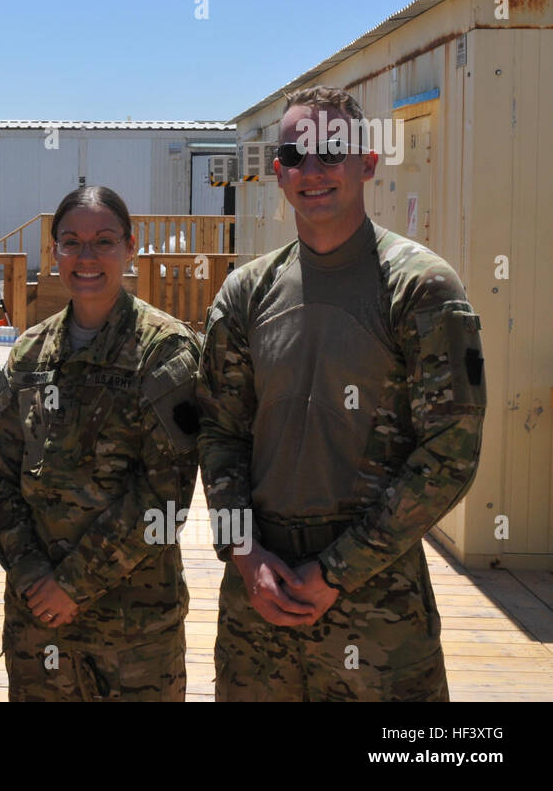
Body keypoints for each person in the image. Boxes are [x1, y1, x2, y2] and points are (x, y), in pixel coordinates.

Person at [197, 85, 486, 701]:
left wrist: (336, 570)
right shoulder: (246, 293)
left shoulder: (422, 288)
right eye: (295, 156)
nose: (313, 170)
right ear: (278, 171)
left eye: (332, 151)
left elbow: (450, 452)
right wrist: (246, 555)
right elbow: (220, 432)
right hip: (260, 599)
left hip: (376, 598)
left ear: (369, 162)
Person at [0, 185, 201, 701]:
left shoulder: (165, 350)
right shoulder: (30, 353)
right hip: (39, 626)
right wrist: (35, 575)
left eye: (103, 241)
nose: (86, 256)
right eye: (71, 242)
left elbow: (166, 497)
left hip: (133, 633)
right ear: (53, 251)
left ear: (129, 248)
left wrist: (72, 585)